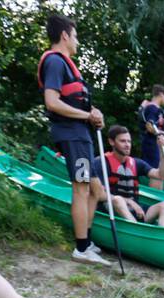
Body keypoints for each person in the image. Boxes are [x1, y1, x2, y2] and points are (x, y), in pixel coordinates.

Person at [37, 14, 109, 266]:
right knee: (81, 188)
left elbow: (76, 102)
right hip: (71, 135)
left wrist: (93, 116)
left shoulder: (67, 65)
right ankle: (80, 249)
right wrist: (87, 115)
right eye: (75, 36)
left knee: (96, 189)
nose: (77, 41)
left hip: (82, 136)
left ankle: (86, 241)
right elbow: (52, 102)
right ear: (65, 35)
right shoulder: (55, 62)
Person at [100, 125, 164, 226]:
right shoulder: (102, 162)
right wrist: (129, 201)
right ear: (111, 142)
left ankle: (163, 237)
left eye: (129, 141)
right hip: (113, 210)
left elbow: (162, 176)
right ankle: (136, 229)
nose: (127, 145)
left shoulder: (136, 163)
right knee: (118, 200)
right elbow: (98, 194)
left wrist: (162, 150)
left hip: (135, 212)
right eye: (123, 141)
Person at [136, 83, 164, 189]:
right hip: (151, 144)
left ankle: (158, 197)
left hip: (158, 143)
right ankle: (154, 197)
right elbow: (149, 126)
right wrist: (161, 133)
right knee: (156, 170)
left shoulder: (160, 110)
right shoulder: (151, 108)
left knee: (161, 169)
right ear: (160, 94)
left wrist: (163, 133)